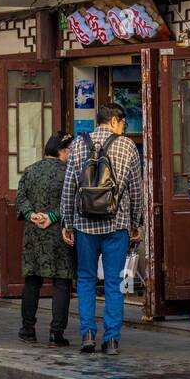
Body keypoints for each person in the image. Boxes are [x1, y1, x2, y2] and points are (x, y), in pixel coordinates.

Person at [61, 102, 143, 356]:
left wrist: (66, 221)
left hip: (84, 223)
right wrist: (135, 222)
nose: (123, 127)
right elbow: (136, 188)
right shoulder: (127, 145)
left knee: (85, 279)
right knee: (115, 281)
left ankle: (87, 334)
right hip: (116, 223)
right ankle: (112, 340)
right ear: (116, 121)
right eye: (123, 123)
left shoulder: (77, 144)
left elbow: (70, 186)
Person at [16, 132, 75, 346]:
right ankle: (56, 333)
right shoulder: (69, 173)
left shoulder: (30, 171)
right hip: (59, 233)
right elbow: (72, 202)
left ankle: (27, 329)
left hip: (34, 232)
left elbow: (20, 198)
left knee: (32, 281)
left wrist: (31, 214)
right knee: (61, 282)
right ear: (62, 150)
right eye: (70, 150)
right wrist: (52, 216)